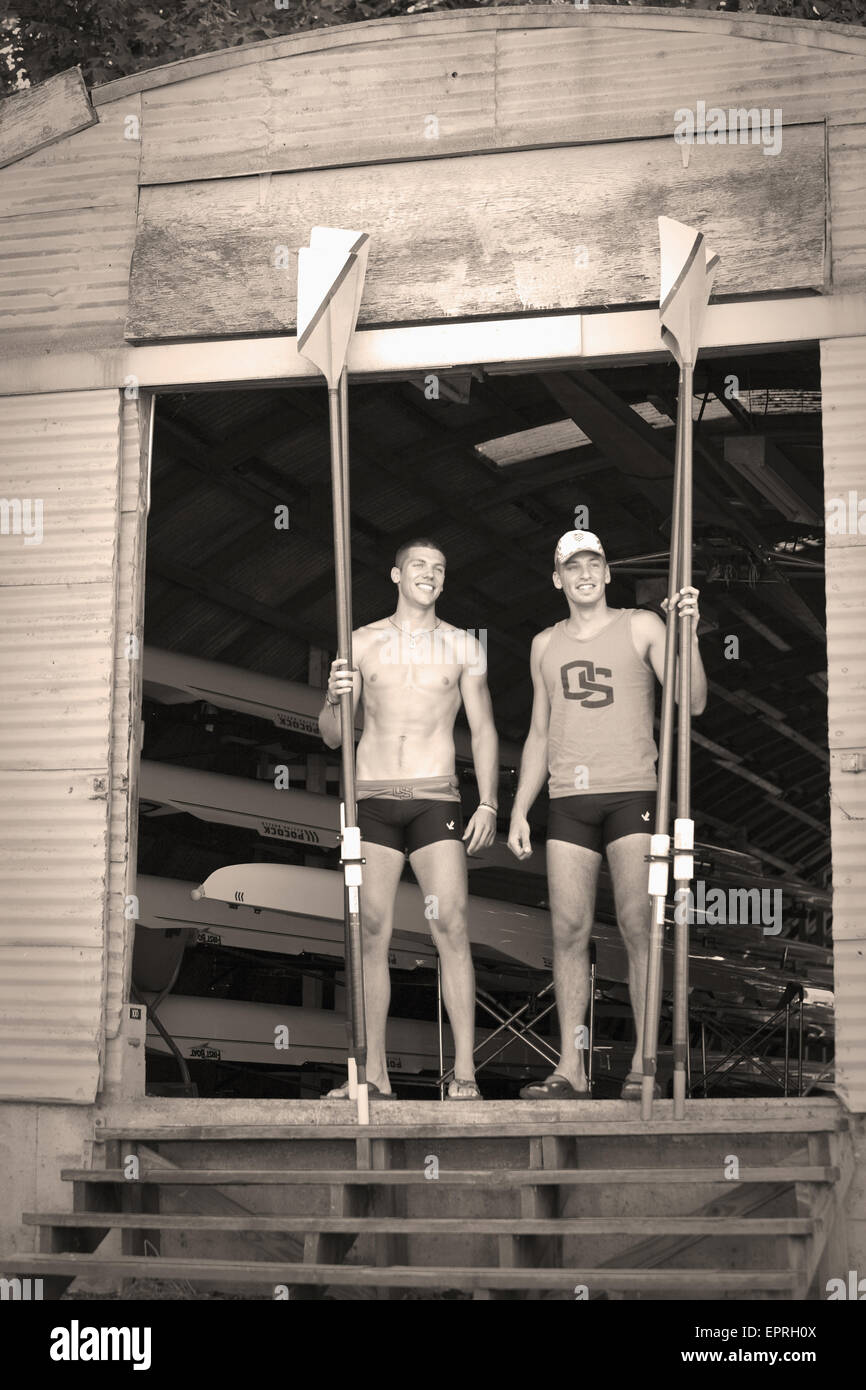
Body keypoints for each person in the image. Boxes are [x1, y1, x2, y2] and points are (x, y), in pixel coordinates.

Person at [507, 530, 706, 1100]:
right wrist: (520, 808)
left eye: (594, 563)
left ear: (608, 573)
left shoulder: (642, 625)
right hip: (569, 799)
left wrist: (687, 634)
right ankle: (570, 1065)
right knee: (568, 931)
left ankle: (646, 1064)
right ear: (558, 578)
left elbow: (690, 703)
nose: (585, 573)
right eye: (573, 566)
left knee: (638, 926)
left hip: (634, 793)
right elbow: (540, 731)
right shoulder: (544, 644)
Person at [318, 538, 499, 1100]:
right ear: (397, 573)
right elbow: (332, 735)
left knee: (451, 928)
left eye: (440, 568)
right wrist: (331, 696)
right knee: (371, 933)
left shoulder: (464, 646)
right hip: (370, 797)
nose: (430, 574)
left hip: (435, 797)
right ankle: (374, 1078)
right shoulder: (362, 641)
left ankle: (465, 1075)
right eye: (419, 565)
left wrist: (488, 801)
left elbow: (485, 729)